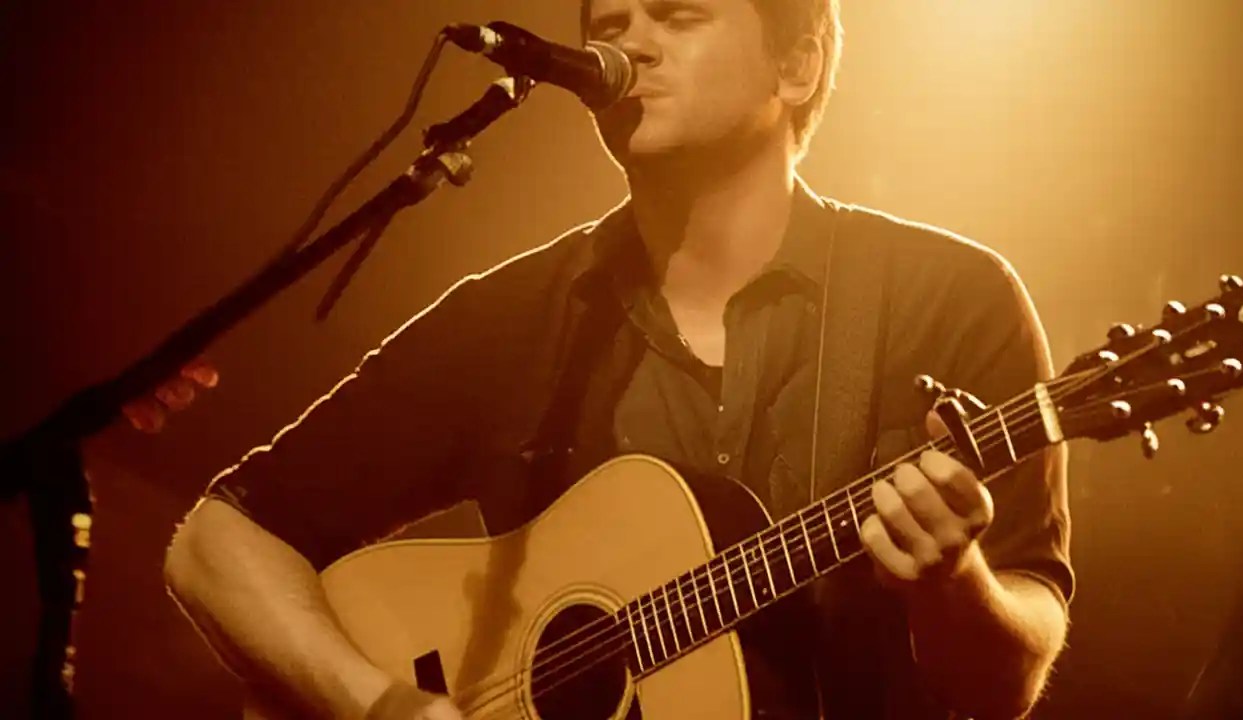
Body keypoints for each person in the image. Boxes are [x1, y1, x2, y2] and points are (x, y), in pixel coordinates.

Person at [160, 0, 1072, 718]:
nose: (631, 44)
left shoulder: (952, 299)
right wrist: (385, 708)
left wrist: (955, 581)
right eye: (607, 26)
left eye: (676, 16)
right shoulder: (518, 314)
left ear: (797, 64)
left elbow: (1007, 682)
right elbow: (217, 542)